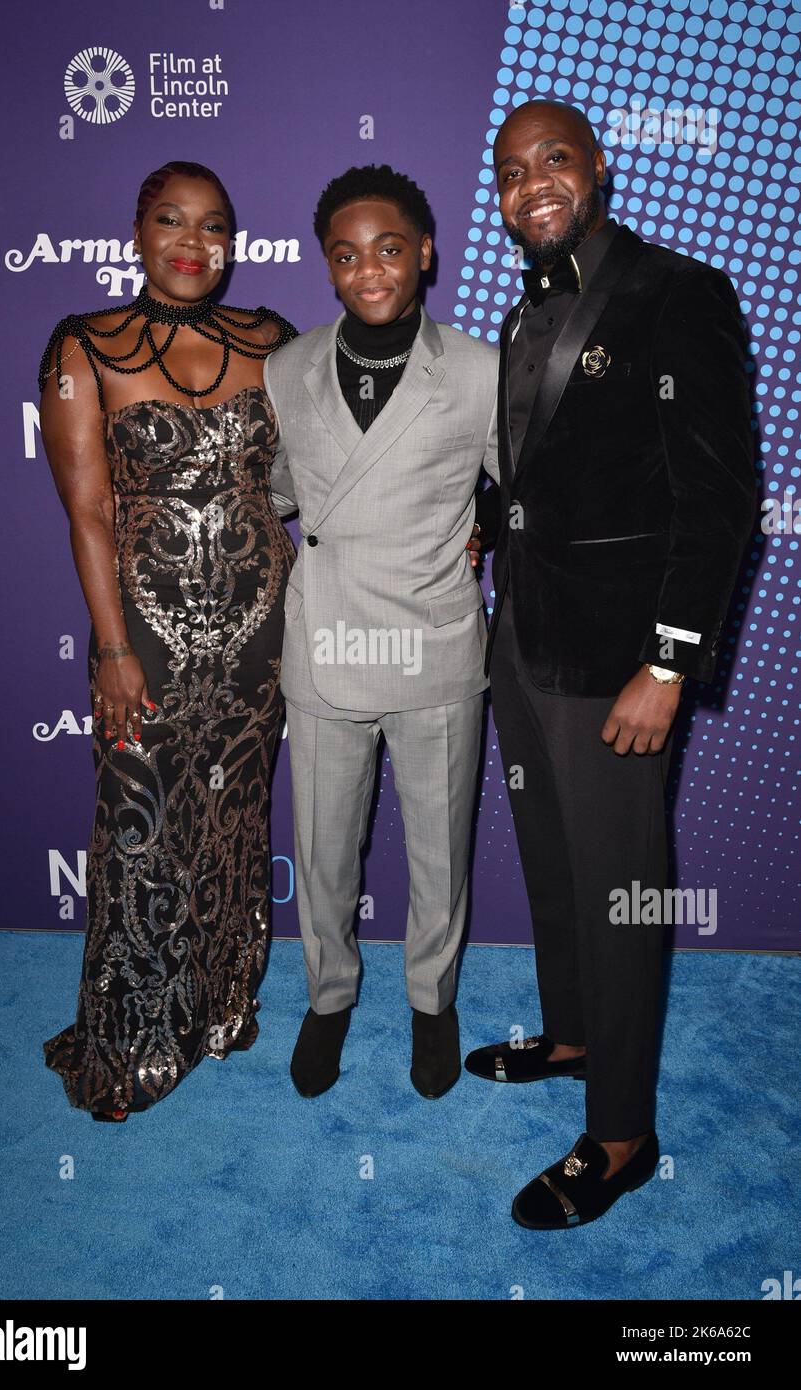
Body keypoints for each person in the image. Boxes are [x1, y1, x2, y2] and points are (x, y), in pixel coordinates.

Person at [465, 101, 756, 1226]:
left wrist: (668, 663)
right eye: (508, 172)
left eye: (551, 162)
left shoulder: (675, 292)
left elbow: (717, 494)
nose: (529, 184)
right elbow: (539, 471)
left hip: (617, 662)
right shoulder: (517, 312)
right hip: (523, 643)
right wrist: (480, 518)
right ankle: (573, 1034)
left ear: (596, 168)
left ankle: (621, 1132)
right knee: (553, 867)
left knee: (623, 892)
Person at [38, 161, 297, 1121]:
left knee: (233, 821)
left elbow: (330, 469)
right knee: (141, 828)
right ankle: (137, 1034)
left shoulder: (273, 339)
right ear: (138, 231)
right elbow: (90, 509)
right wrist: (111, 650)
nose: (194, 241)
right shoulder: (85, 345)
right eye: (172, 220)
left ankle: (222, 1003)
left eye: (214, 225)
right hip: (142, 632)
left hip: (258, 628)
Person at [263, 164, 499, 1101]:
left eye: (390, 248)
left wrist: (483, 526)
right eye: (347, 254)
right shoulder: (287, 367)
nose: (370, 270)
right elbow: (280, 488)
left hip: (433, 643)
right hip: (324, 645)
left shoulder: (481, 369)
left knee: (441, 850)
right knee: (323, 850)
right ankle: (328, 999)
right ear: (327, 266)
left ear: (425, 253)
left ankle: (432, 1005)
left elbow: (518, 484)